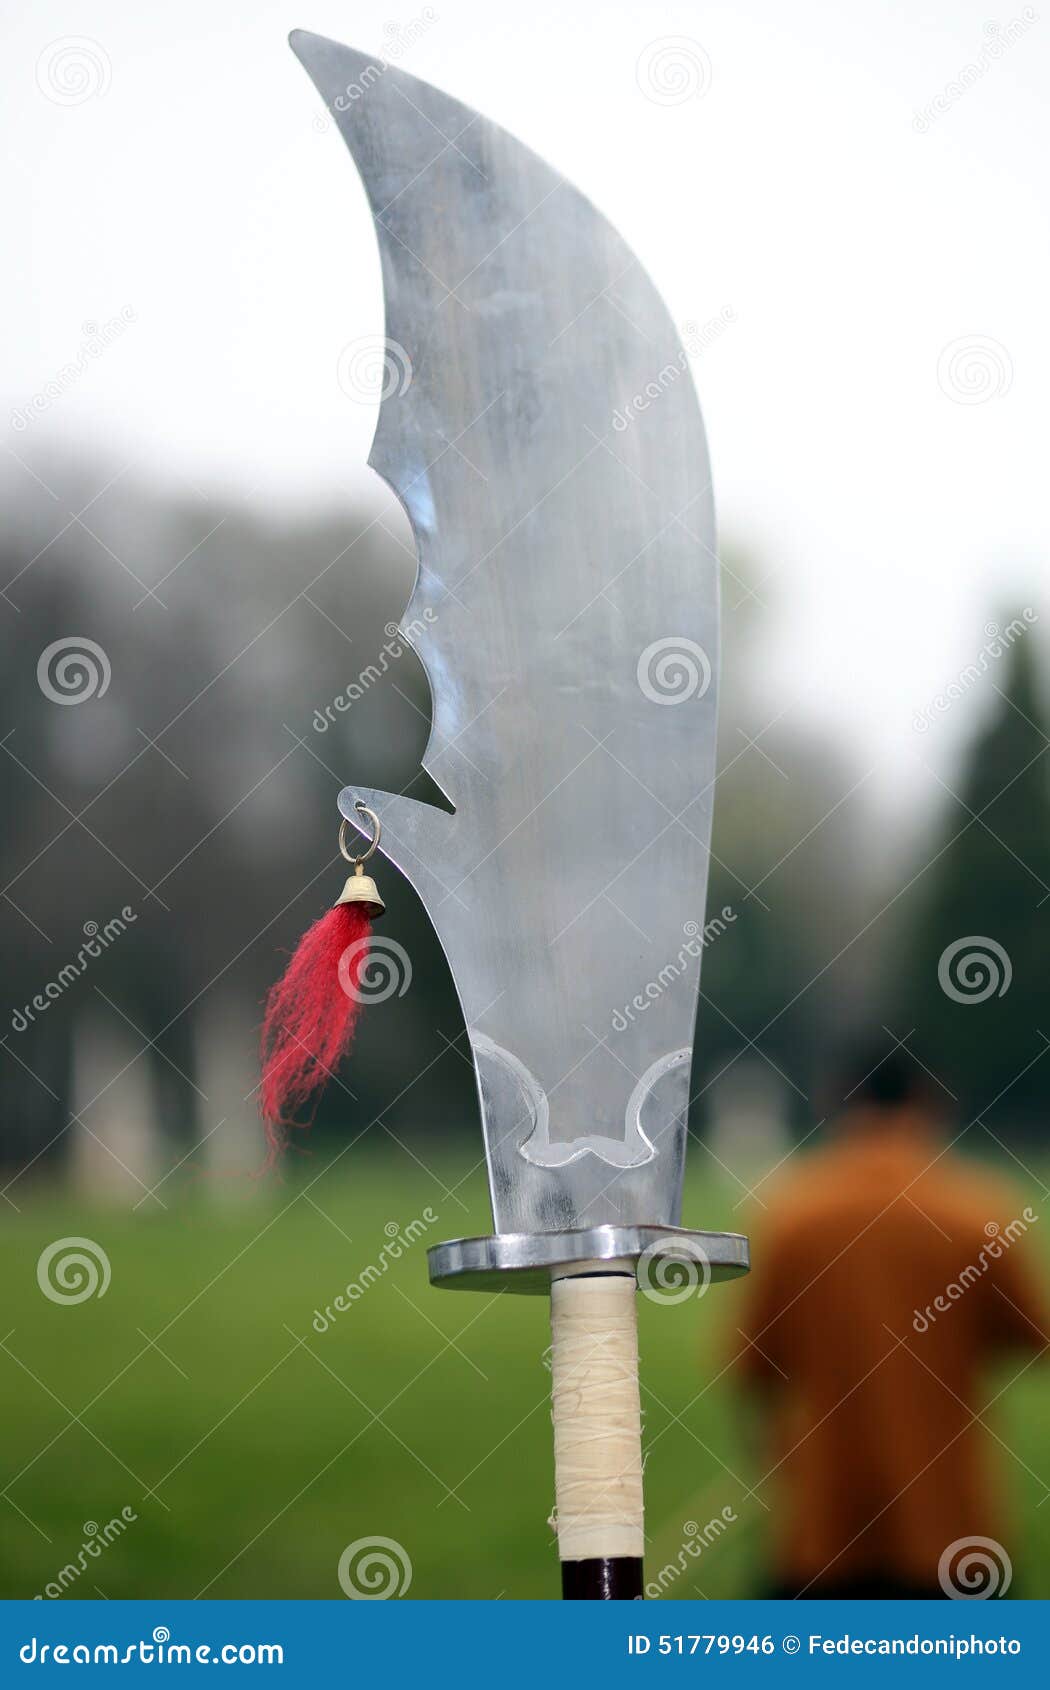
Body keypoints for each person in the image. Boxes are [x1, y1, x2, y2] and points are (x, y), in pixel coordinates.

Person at [731, 1046, 1048, 1598]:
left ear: (838, 1104)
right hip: (951, 1531)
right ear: (928, 1105)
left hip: (823, 1532)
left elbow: (751, 1366)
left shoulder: (790, 1216)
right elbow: (1037, 1339)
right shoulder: (978, 1213)